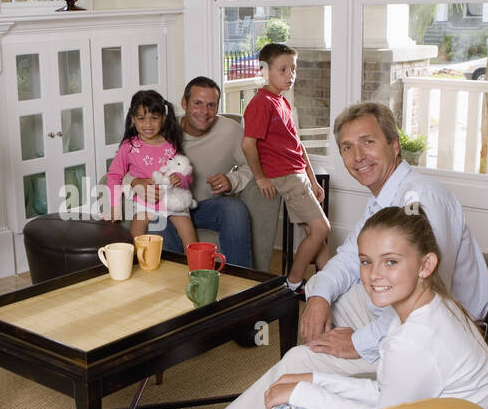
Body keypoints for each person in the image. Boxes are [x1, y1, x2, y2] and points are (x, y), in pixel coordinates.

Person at [131, 100, 488, 409]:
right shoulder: (385, 196)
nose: (358, 156)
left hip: (434, 317)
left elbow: (426, 289)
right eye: (347, 148)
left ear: (394, 145)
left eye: (368, 142)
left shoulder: (419, 200)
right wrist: (317, 297)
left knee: (306, 355)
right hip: (397, 306)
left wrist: (359, 341)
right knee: (320, 318)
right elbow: (349, 258)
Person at [216, 205, 488, 409]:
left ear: (426, 265)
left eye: (391, 262)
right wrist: (314, 380)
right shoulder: (429, 307)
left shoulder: (414, 341)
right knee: (298, 401)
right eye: (366, 261)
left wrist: (302, 394)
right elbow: (387, 393)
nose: (373, 275)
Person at [241, 43, 330, 294]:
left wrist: (312, 180)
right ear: (265, 71)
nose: (290, 75)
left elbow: (297, 144)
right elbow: (248, 145)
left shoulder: (282, 102)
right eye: (283, 69)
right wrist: (260, 178)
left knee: (317, 236)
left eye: (293, 69)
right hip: (286, 175)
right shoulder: (261, 103)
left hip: (298, 175)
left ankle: (330, 289)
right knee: (322, 228)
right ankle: (292, 284)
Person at [159, 76, 254, 269]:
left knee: (234, 209)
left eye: (211, 105)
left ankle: (241, 287)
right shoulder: (164, 131)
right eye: (198, 103)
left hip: (206, 208)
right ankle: (180, 284)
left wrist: (232, 180)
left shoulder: (231, 131)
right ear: (184, 103)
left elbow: (254, 165)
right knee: (157, 219)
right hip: (169, 208)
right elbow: (130, 163)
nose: (204, 111)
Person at [104, 89, 198, 246]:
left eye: (154, 118)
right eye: (141, 118)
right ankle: (133, 263)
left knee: (189, 235)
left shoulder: (171, 144)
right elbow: (114, 176)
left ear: (163, 118)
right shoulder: (129, 147)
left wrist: (180, 178)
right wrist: (114, 207)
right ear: (133, 119)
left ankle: (198, 268)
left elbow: (187, 173)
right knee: (135, 236)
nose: (148, 124)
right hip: (144, 203)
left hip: (173, 199)